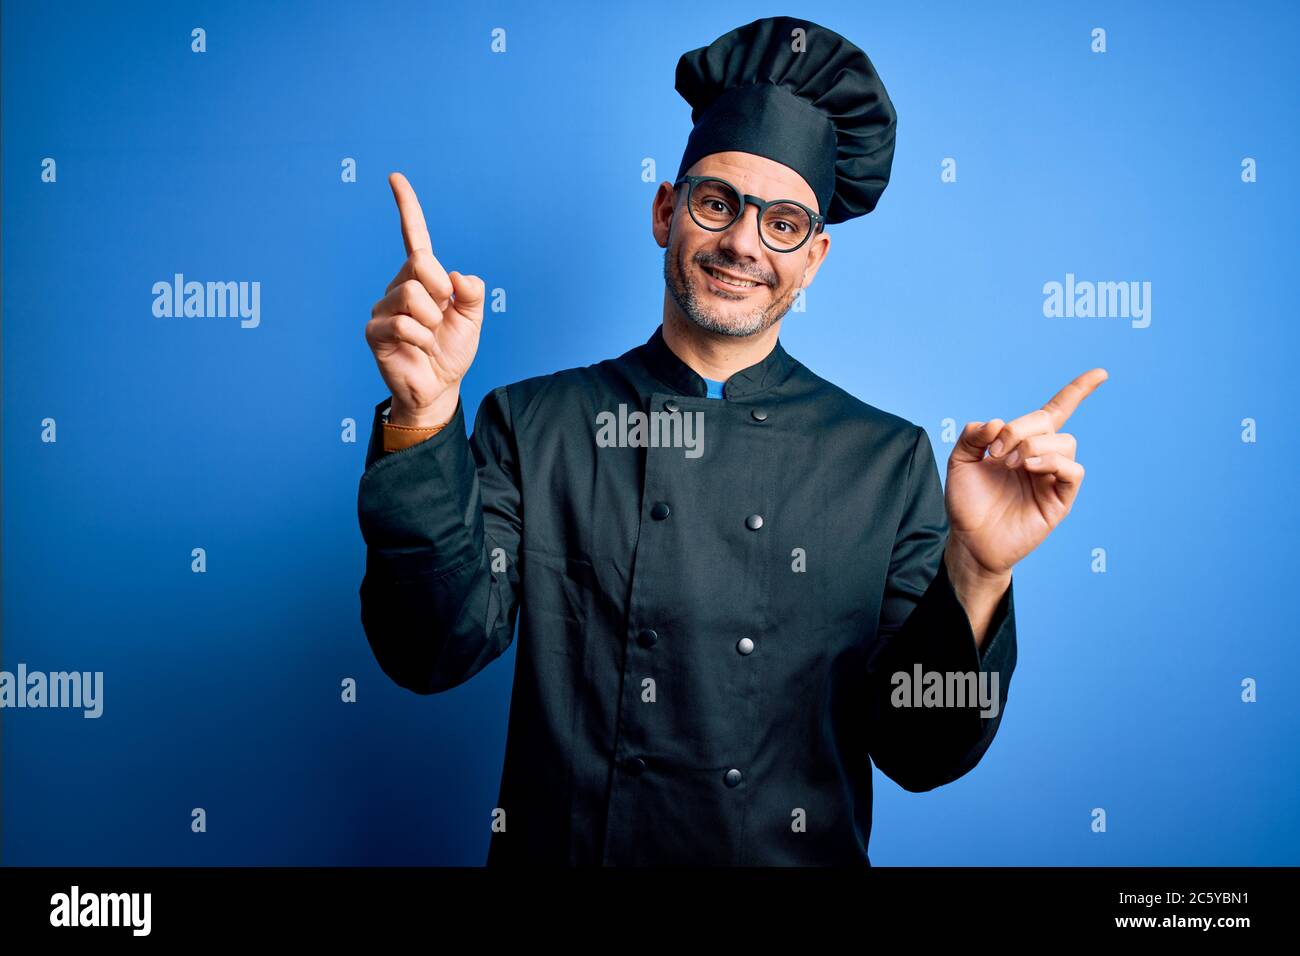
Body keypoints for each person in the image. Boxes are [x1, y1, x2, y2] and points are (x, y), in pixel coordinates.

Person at [356, 15, 1106, 866]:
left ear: (814, 257)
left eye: (783, 223)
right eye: (718, 203)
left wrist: (978, 571)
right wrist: (423, 416)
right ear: (666, 211)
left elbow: (921, 753)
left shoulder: (885, 461)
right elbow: (427, 651)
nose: (744, 242)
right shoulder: (534, 425)